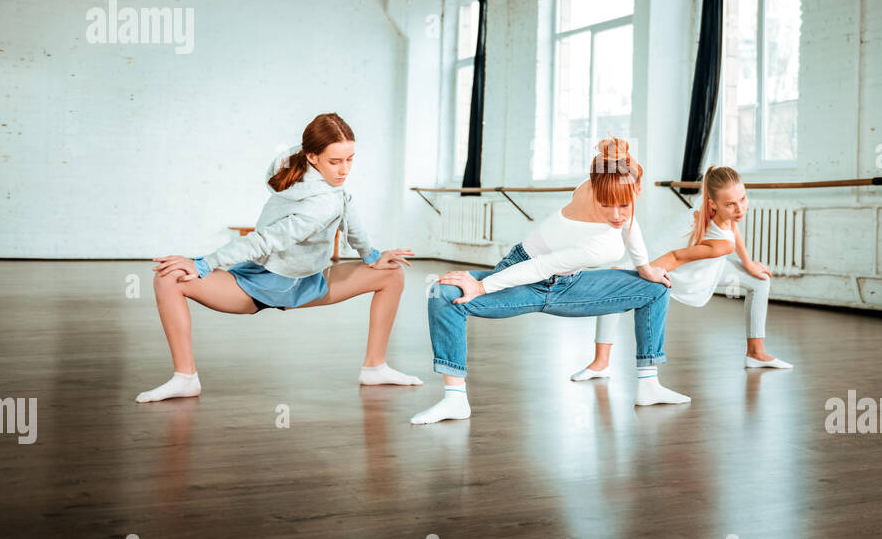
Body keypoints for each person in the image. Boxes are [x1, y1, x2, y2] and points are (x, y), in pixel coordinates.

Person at [140, 112, 417, 403]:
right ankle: (185, 379)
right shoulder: (320, 199)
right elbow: (266, 239)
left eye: (350, 159)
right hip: (267, 284)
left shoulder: (306, 174)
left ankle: (375, 366)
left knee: (391, 272)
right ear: (311, 156)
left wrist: (372, 255)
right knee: (170, 277)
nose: (344, 169)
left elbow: (349, 212)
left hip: (302, 282)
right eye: (335, 161)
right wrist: (203, 263)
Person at [412, 137, 684, 425]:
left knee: (656, 287)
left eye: (624, 204)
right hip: (524, 274)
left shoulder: (604, 194)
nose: (616, 215)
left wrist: (645, 268)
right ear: (594, 191)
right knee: (440, 292)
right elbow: (541, 266)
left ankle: (649, 386)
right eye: (606, 205)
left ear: (638, 191)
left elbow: (631, 223)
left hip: (570, 286)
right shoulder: (599, 223)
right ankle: (455, 400)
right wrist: (481, 286)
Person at [573, 165, 793, 382]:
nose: (740, 209)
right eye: (731, 204)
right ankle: (600, 363)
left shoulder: (718, 210)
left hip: (704, 264)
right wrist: (636, 270)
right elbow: (675, 257)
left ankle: (756, 354)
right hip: (672, 263)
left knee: (759, 280)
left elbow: (732, 228)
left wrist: (748, 262)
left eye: (743, 199)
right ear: (712, 204)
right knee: (619, 283)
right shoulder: (717, 237)